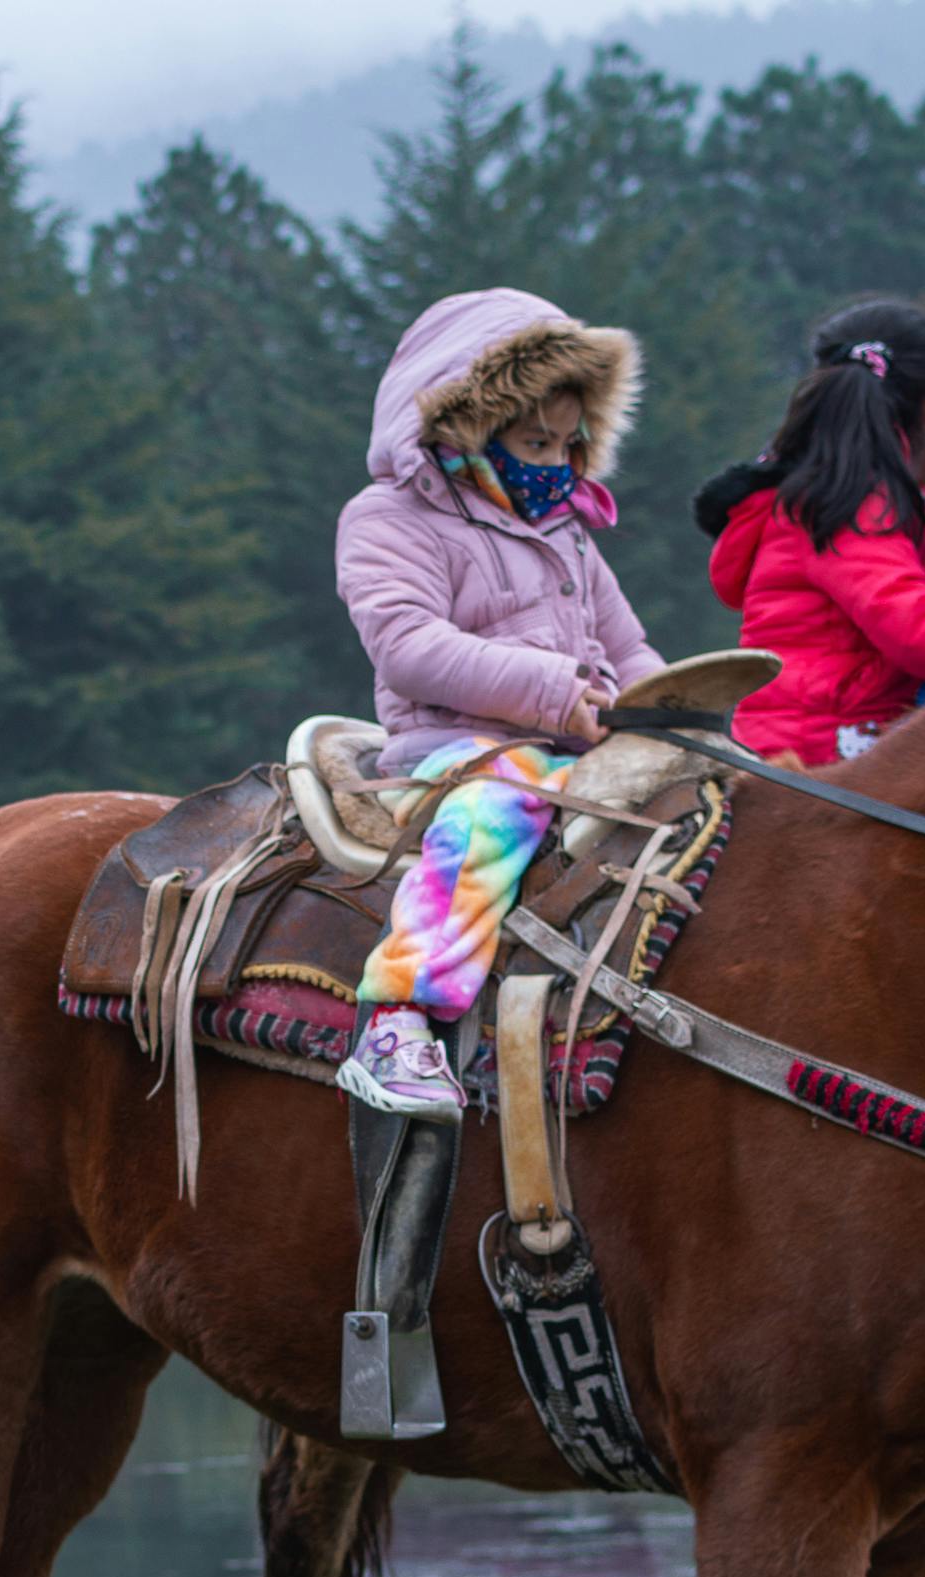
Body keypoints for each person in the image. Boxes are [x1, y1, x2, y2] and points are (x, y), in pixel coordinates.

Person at [330, 288, 664, 1122]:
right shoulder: (387, 518)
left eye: (565, 443)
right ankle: (398, 1015)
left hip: (568, 746)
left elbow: (625, 645)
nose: (552, 462)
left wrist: (662, 708)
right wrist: (558, 695)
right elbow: (407, 646)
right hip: (457, 749)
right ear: (471, 428)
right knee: (500, 804)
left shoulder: (564, 532)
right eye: (532, 441)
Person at [696, 300, 925, 770]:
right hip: (816, 764)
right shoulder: (845, 511)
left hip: (824, 743)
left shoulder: (834, 492)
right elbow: (920, 632)